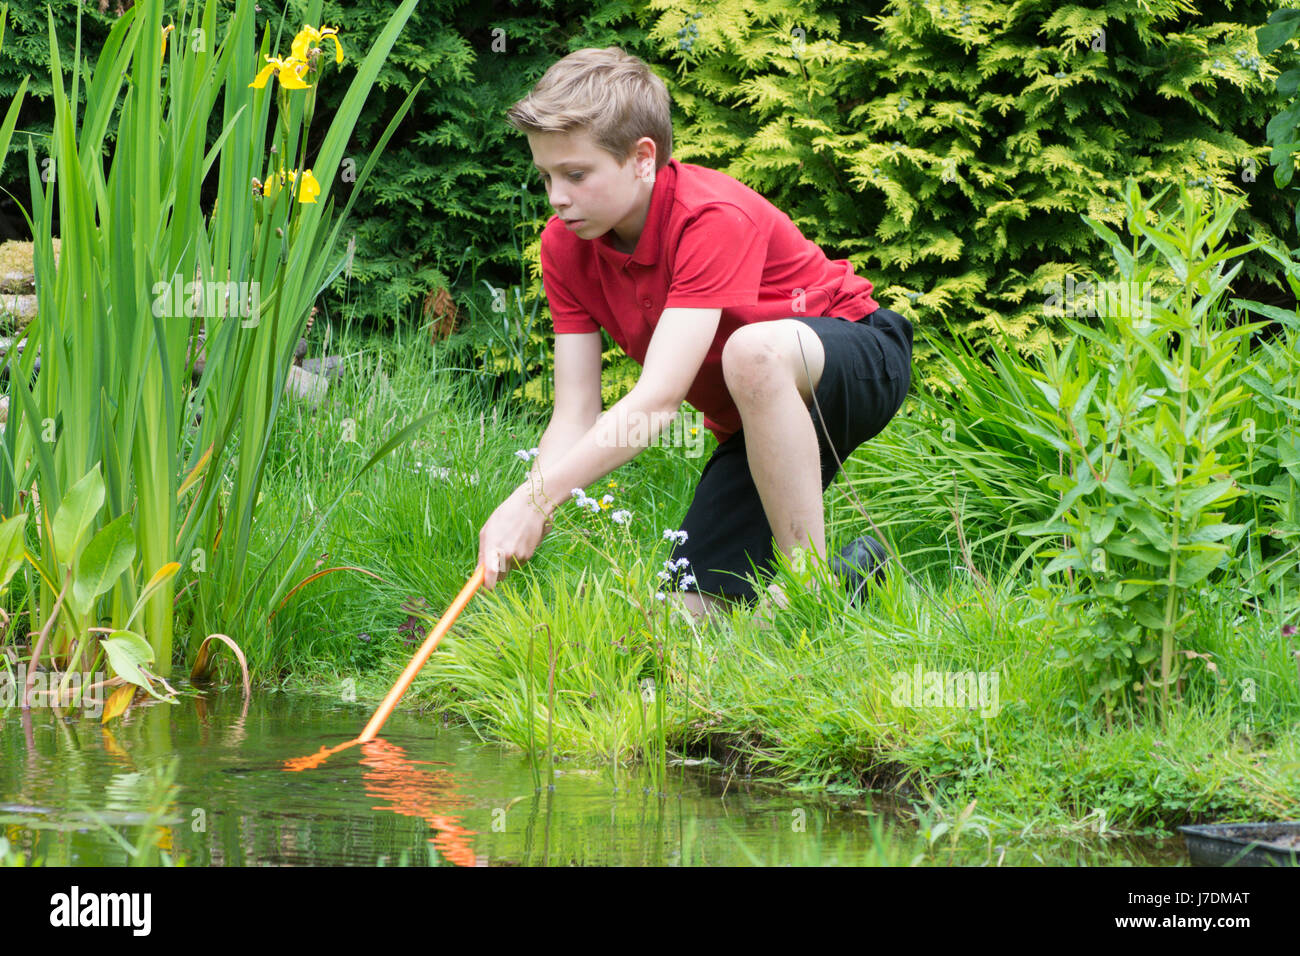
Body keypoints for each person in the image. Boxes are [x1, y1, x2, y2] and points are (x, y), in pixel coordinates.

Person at [476, 46, 911, 622]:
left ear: (641, 158)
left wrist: (538, 499)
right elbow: (574, 411)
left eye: (576, 174)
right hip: (757, 421)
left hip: (854, 357)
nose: (557, 196)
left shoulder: (709, 216)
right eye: (547, 176)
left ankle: (807, 588)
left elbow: (656, 403)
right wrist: (524, 506)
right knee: (682, 619)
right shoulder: (563, 248)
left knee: (751, 351)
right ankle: (854, 576)